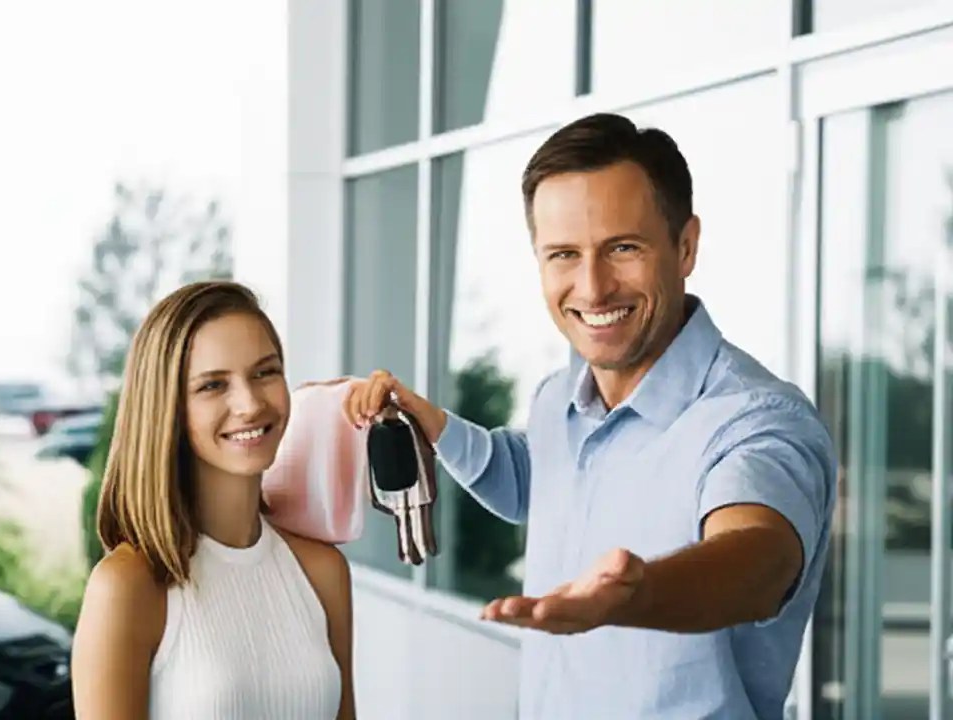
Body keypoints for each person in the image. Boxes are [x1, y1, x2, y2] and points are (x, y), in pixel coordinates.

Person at [342, 112, 837, 719]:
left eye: (622, 248)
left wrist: (636, 595)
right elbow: (531, 477)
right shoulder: (560, 397)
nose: (593, 287)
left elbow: (758, 560)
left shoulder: (757, 419)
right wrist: (437, 426)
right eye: (563, 255)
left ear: (686, 246)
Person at [71, 280, 355, 720]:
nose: (249, 404)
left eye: (265, 372)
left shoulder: (322, 572)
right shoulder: (129, 587)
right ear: (168, 408)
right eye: (212, 385)